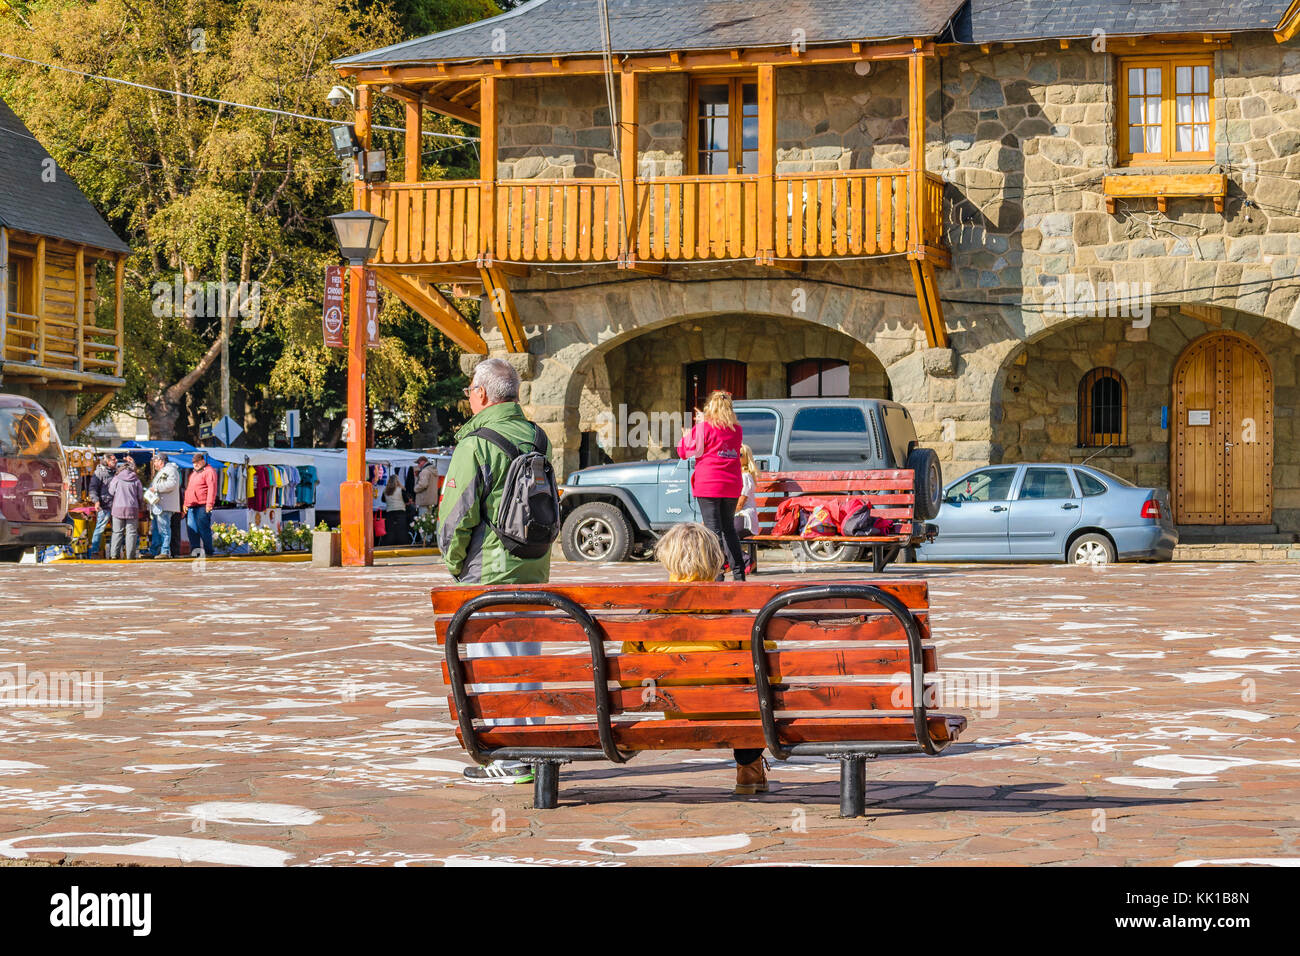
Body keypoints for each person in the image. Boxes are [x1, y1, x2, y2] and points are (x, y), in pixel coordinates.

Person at [438, 357, 550, 785]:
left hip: (489, 569)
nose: (468, 397)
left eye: (469, 390)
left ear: (481, 394)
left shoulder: (476, 443)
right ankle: (531, 748)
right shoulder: (539, 438)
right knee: (527, 663)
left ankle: (508, 758)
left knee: (493, 665)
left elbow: (457, 515)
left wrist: (453, 563)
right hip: (533, 566)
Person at [621, 522, 770, 795]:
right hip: (736, 721)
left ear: (667, 559)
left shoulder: (648, 614)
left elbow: (628, 677)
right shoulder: (735, 611)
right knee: (754, 697)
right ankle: (749, 768)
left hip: (678, 713)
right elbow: (769, 673)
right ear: (716, 560)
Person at [677, 390, 746, 581]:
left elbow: (686, 451)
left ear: (710, 408)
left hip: (708, 484)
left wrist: (688, 434)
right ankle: (739, 575)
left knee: (713, 531)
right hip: (731, 485)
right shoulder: (737, 430)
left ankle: (717, 574)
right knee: (728, 529)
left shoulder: (703, 428)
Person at [143, 453, 181, 558]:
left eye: (155, 461)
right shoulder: (162, 471)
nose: (154, 463)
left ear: (161, 461)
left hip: (165, 505)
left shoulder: (171, 470)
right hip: (158, 505)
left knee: (164, 529)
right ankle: (155, 551)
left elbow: (172, 484)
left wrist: (156, 488)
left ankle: (165, 551)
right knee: (156, 530)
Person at [107, 460, 144, 559]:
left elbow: (111, 492)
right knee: (131, 533)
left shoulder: (116, 479)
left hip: (118, 509)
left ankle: (114, 555)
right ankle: (130, 556)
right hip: (132, 509)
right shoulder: (136, 479)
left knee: (117, 532)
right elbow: (140, 495)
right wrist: (141, 505)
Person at [182, 453, 217, 556]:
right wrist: (186, 503)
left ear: (203, 461)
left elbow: (212, 488)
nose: (195, 464)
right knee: (192, 530)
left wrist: (209, 504)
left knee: (203, 529)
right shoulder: (194, 473)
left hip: (203, 505)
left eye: (197, 462)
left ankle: (209, 551)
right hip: (192, 505)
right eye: (193, 463)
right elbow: (188, 490)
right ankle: (195, 552)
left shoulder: (209, 471)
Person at [735, 443, 760, 575]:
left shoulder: (745, 477)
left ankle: (746, 560)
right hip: (738, 517)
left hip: (744, 518)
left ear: (746, 458)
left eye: (739, 455)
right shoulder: (738, 475)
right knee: (717, 532)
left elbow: (739, 504)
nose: (735, 457)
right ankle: (728, 561)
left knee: (723, 533)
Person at [87, 453, 116, 558]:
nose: (116, 461)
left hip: (116, 505)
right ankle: (94, 552)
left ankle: (114, 552)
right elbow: (93, 488)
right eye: (113, 459)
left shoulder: (116, 472)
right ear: (107, 461)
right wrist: (96, 501)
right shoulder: (99, 473)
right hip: (104, 505)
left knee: (116, 530)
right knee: (100, 529)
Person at [383, 472, 409, 545]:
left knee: (390, 529)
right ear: (397, 481)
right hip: (400, 511)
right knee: (401, 529)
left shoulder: (385, 491)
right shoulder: (401, 490)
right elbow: (406, 500)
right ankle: (402, 542)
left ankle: (390, 543)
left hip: (389, 512)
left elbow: (383, 500)